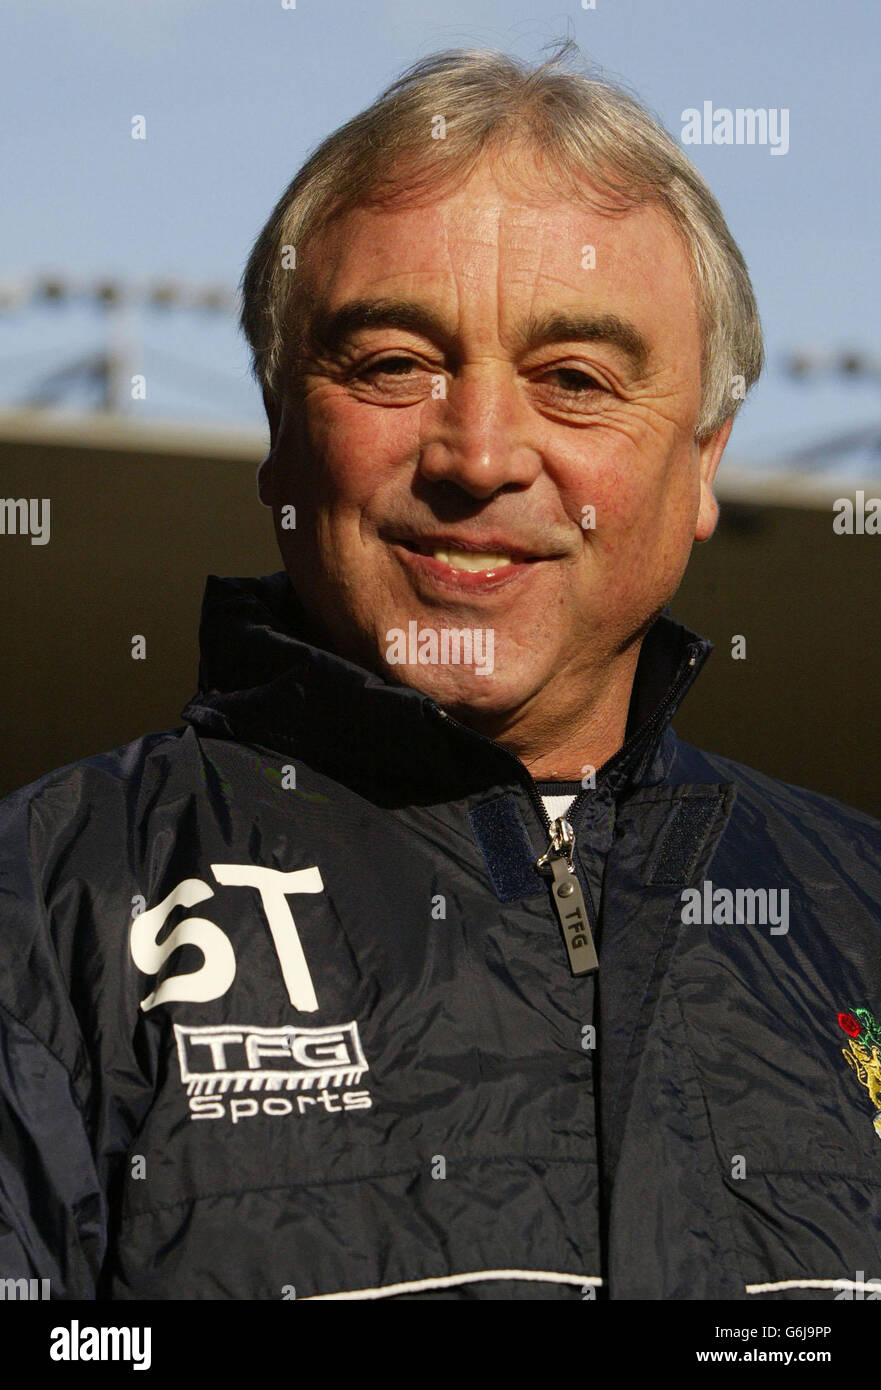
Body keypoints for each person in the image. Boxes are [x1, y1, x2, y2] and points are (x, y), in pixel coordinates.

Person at [2, 43, 880, 1303]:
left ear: (702, 465)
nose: (477, 455)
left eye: (573, 381)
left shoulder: (854, 917)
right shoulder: (42, 917)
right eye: (392, 366)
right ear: (278, 433)